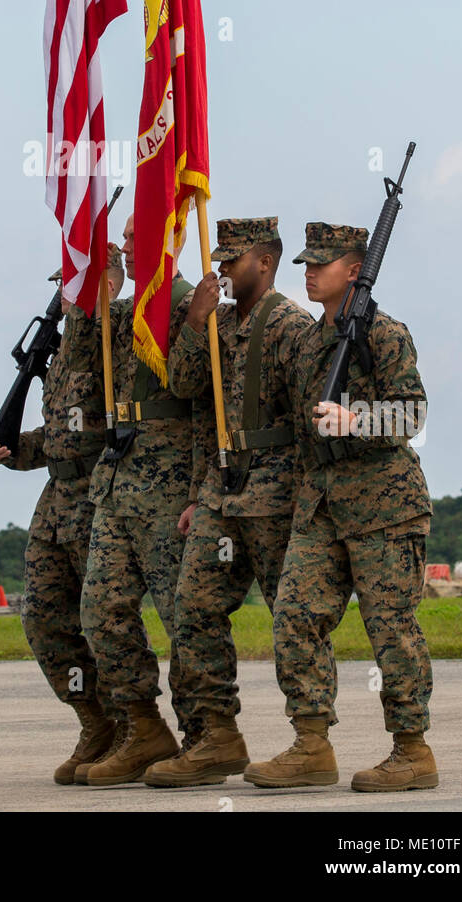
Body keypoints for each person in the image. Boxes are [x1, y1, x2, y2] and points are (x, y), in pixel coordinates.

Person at [244, 222, 436, 792]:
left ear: (354, 270)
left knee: (390, 630)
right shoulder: (308, 341)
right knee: (294, 615)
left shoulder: (384, 333)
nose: (308, 271)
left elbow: (413, 416)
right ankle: (310, 744)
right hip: (322, 503)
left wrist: (359, 419)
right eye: (304, 263)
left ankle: (411, 750)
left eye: (320, 263)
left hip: (384, 506)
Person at [144, 217, 315, 787]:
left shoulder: (292, 325)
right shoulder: (216, 323)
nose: (220, 266)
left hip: (276, 494)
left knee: (291, 619)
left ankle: (311, 742)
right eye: (218, 256)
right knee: (192, 610)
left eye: (233, 258)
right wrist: (194, 322)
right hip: (220, 493)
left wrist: (309, 499)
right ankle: (216, 735)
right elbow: (188, 391)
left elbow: (313, 419)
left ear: (264, 262)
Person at [0, 250, 125, 786]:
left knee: (105, 619)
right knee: (44, 617)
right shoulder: (61, 354)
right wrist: (13, 449)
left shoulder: (119, 342)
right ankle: (95, 720)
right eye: (62, 285)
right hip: (57, 496)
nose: (64, 296)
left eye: (74, 285)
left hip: (102, 494)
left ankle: (135, 726)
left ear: (108, 283)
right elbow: (58, 437)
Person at [64, 213, 199, 787]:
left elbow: (203, 397)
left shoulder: (189, 304)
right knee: (101, 611)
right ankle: (141, 727)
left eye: (130, 236)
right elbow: (78, 363)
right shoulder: (124, 313)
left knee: (184, 619)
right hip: (120, 485)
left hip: (172, 488)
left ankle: (208, 735)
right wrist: (97, 299)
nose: (121, 245)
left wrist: (202, 492)